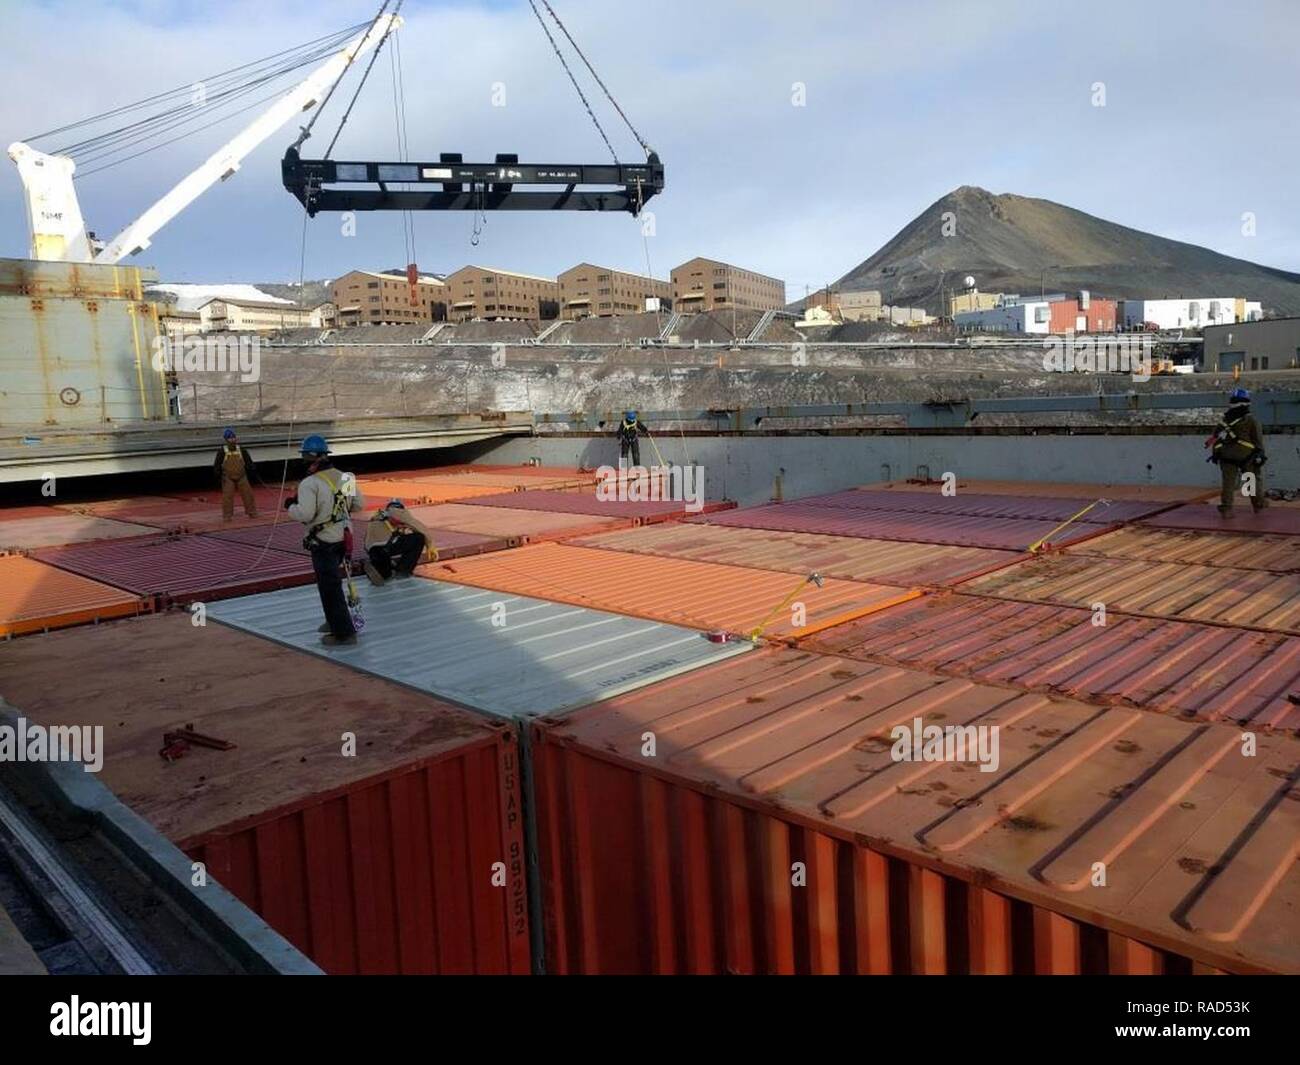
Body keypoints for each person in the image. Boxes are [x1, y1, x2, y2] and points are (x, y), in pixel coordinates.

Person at [285, 435, 364, 646]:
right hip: (344, 537)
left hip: (323, 541)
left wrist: (290, 506)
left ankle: (344, 633)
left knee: (329, 586)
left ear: (309, 457)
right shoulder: (345, 477)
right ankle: (334, 621)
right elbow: (357, 505)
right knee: (331, 583)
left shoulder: (310, 483)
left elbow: (305, 514)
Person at [1208, 387, 1268, 517]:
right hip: (1246, 455)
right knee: (1250, 481)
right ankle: (1258, 505)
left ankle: (1226, 509)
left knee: (1228, 484)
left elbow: (1216, 438)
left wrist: (1215, 454)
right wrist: (1260, 455)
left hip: (1226, 455)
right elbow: (1258, 440)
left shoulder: (1224, 421)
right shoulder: (1250, 420)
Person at [363, 499, 434, 585]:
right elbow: (418, 526)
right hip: (387, 546)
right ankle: (403, 570)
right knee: (418, 538)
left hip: (373, 550)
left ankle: (381, 569)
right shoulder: (398, 512)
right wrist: (430, 544)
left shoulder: (377, 516)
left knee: (385, 574)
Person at [213, 427, 261, 521]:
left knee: (248, 494)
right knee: (227, 497)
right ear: (226, 439)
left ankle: (252, 512)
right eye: (230, 438)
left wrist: (252, 470)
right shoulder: (222, 451)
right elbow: (217, 464)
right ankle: (227, 516)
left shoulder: (241, 450)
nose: (232, 440)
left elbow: (248, 461)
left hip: (242, 476)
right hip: (228, 477)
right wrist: (217, 476)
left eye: (233, 437)